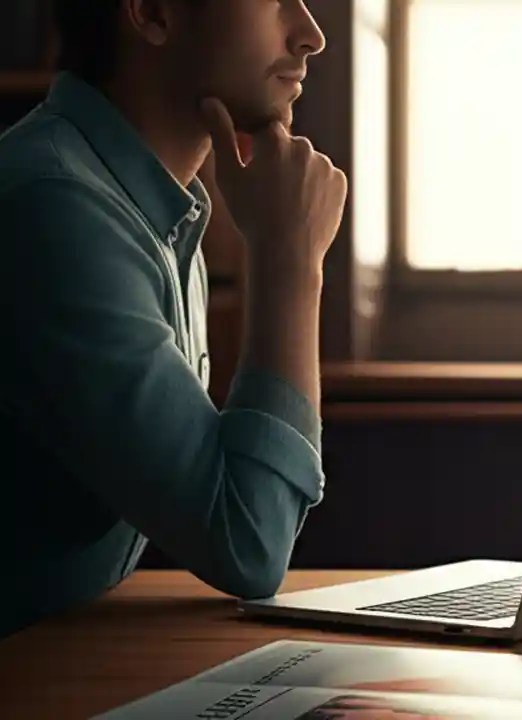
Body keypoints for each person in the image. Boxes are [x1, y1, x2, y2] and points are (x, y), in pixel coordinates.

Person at [0, 0, 347, 638]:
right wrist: (290, 259)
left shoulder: (153, 208)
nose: (311, 36)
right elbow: (249, 543)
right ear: (154, 12)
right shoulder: (57, 208)